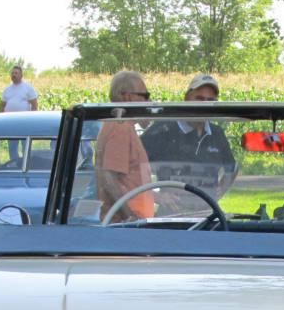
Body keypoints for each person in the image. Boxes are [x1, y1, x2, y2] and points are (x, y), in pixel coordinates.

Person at [140, 74, 237, 203]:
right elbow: (133, 164)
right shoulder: (163, 129)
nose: (204, 105)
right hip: (171, 216)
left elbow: (232, 168)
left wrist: (221, 190)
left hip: (208, 214)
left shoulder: (216, 133)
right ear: (187, 98)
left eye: (210, 100)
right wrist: (156, 196)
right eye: (200, 99)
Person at [95, 70, 153, 222]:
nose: (149, 101)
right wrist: (131, 217)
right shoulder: (120, 126)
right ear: (128, 97)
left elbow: (128, 184)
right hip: (124, 227)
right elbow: (109, 179)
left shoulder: (122, 125)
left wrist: (159, 197)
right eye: (145, 96)